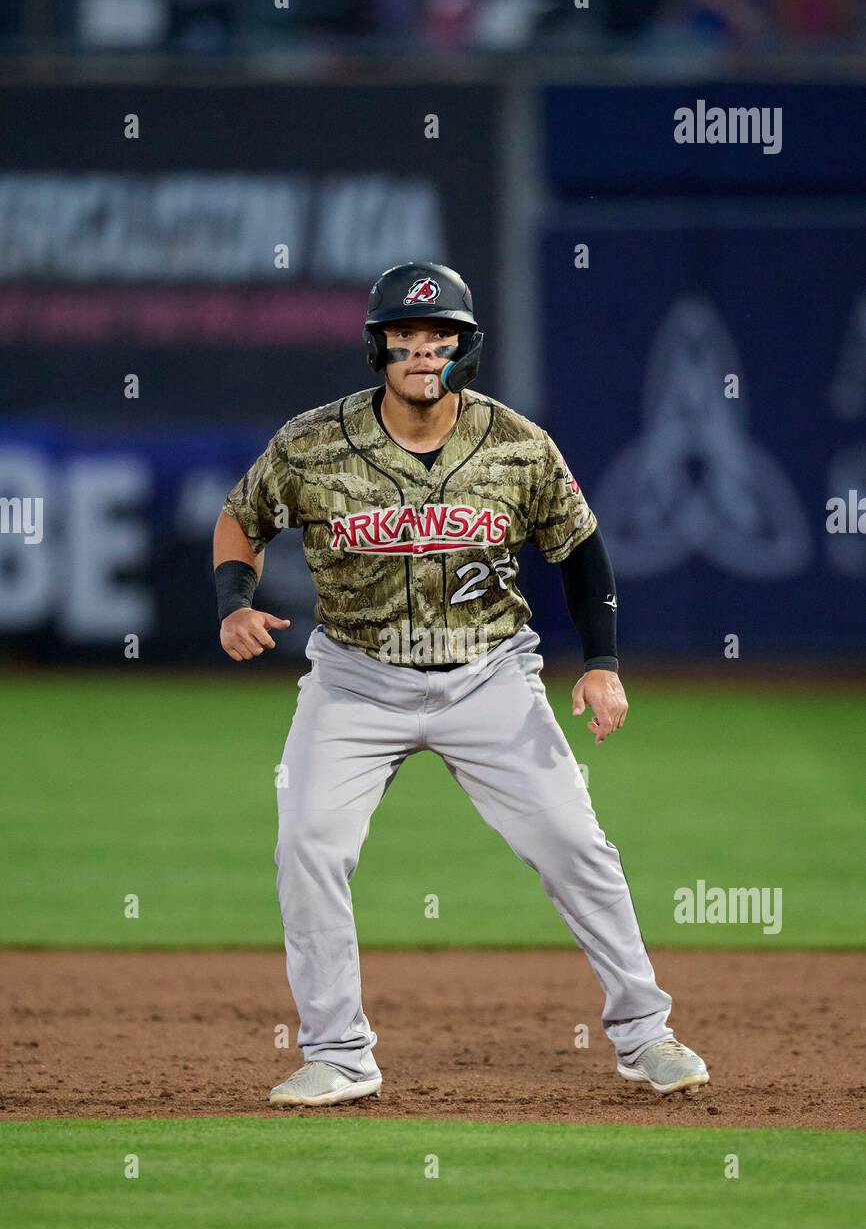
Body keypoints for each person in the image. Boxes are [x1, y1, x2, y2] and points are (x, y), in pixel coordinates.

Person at [213, 261, 709, 1107]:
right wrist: (234, 603)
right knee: (307, 845)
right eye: (403, 337)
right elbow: (242, 517)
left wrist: (601, 663)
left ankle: (644, 1034)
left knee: (574, 846)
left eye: (437, 337)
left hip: (489, 676)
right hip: (355, 681)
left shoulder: (516, 442)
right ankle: (340, 1053)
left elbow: (580, 550)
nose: (419, 350)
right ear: (378, 348)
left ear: (464, 348)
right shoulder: (311, 442)